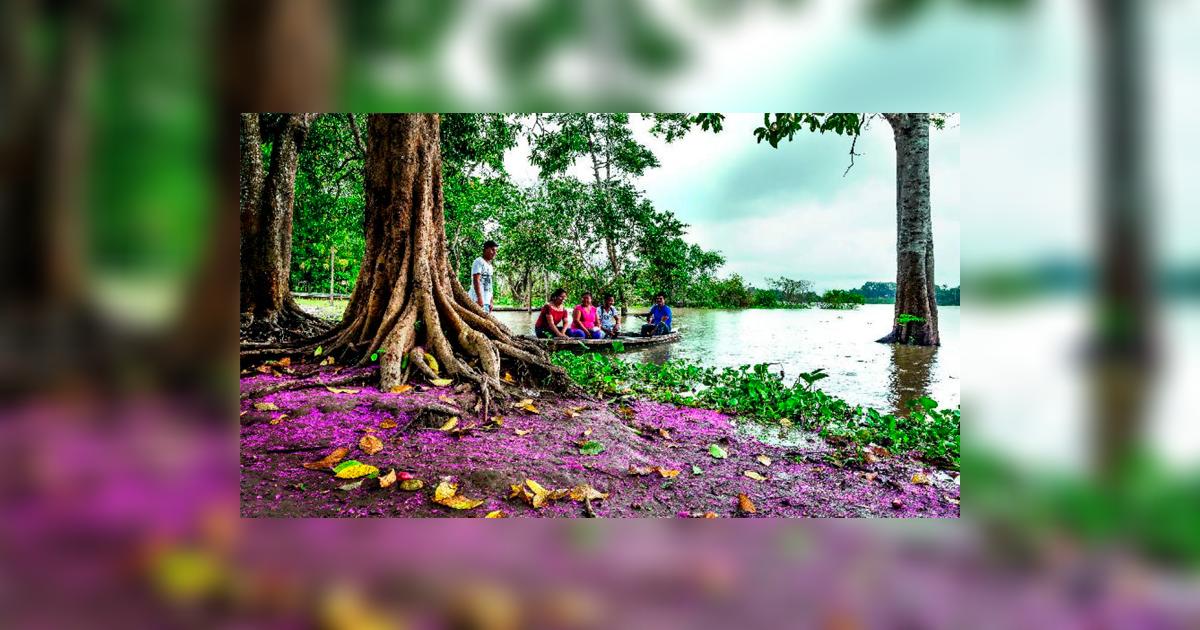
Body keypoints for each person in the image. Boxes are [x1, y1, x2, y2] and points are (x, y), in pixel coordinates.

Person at [468, 240, 498, 314]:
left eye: (496, 251)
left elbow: (490, 284)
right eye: (492, 250)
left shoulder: (490, 266)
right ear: (486, 249)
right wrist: (479, 298)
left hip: (486, 302)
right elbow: (476, 280)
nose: (495, 253)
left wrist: (491, 301)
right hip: (477, 300)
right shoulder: (479, 261)